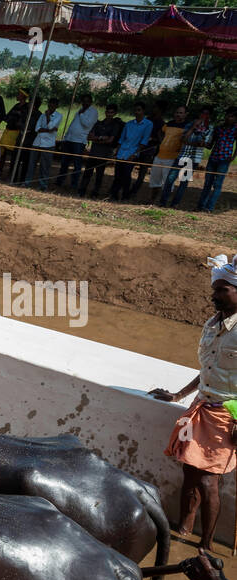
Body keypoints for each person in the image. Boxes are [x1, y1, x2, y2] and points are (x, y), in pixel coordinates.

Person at [149, 257, 237, 554]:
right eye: (215, 289)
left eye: (222, 289)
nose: (214, 295)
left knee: (210, 480)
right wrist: (178, 396)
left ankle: (207, 543)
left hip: (227, 414)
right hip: (201, 406)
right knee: (189, 470)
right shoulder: (214, 324)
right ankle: (184, 528)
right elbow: (209, 369)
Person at [162, 107, 211, 208]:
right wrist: (193, 127)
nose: (204, 116)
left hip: (194, 159)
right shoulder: (190, 124)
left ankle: (175, 204)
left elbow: (205, 144)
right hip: (182, 155)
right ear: (199, 114)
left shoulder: (210, 127)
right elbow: (183, 139)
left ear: (209, 116)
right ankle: (163, 202)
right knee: (170, 179)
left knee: (183, 182)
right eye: (202, 113)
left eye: (206, 114)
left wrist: (196, 142)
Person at [78, 104, 125, 198]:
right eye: (108, 112)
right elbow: (89, 137)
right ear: (105, 112)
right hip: (93, 152)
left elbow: (110, 140)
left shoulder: (115, 126)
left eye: (112, 112)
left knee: (99, 176)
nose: (109, 114)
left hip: (104, 154)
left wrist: (97, 138)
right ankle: (81, 191)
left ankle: (95, 193)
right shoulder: (98, 123)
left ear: (115, 113)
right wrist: (101, 138)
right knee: (87, 173)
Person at [109, 101, 153, 201]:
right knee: (117, 175)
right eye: (135, 110)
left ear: (143, 111)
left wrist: (135, 154)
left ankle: (125, 196)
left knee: (126, 176)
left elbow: (144, 141)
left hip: (132, 153)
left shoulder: (148, 124)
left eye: (139, 110)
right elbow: (122, 139)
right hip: (122, 152)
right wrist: (117, 151)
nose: (137, 112)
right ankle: (114, 195)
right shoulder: (129, 124)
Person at [197, 106, 237, 213]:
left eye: (232, 116)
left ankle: (209, 208)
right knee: (207, 184)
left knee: (217, 185)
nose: (229, 117)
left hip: (224, 160)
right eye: (228, 115)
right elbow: (210, 144)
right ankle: (200, 206)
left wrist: (233, 157)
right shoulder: (218, 128)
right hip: (213, 158)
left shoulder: (235, 129)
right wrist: (204, 143)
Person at [55, 94, 98, 191]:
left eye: (87, 101)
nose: (85, 103)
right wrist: (66, 137)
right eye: (84, 101)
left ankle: (74, 184)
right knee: (64, 162)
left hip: (79, 141)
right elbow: (73, 124)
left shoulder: (93, 112)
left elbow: (87, 125)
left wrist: (82, 114)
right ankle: (60, 181)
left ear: (91, 102)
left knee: (77, 164)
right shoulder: (79, 110)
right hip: (70, 139)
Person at [147, 105, 188, 203]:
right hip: (159, 155)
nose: (178, 115)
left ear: (186, 114)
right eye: (177, 112)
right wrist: (162, 141)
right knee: (155, 180)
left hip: (172, 158)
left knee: (168, 182)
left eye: (181, 113)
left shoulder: (187, 127)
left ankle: (163, 201)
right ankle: (152, 200)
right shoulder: (169, 123)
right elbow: (160, 132)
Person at [26, 98, 63, 190]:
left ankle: (43, 185)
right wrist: (48, 130)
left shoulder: (59, 116)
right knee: (31, 164)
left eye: (53, 105)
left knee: (45, 166)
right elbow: (37, 128)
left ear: (57, 106)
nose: (51, 106)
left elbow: (50, 126)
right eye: (50, 104)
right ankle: (27, 183)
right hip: (37, 142)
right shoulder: (42, 115)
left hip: (48, 144)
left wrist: (47, 118)